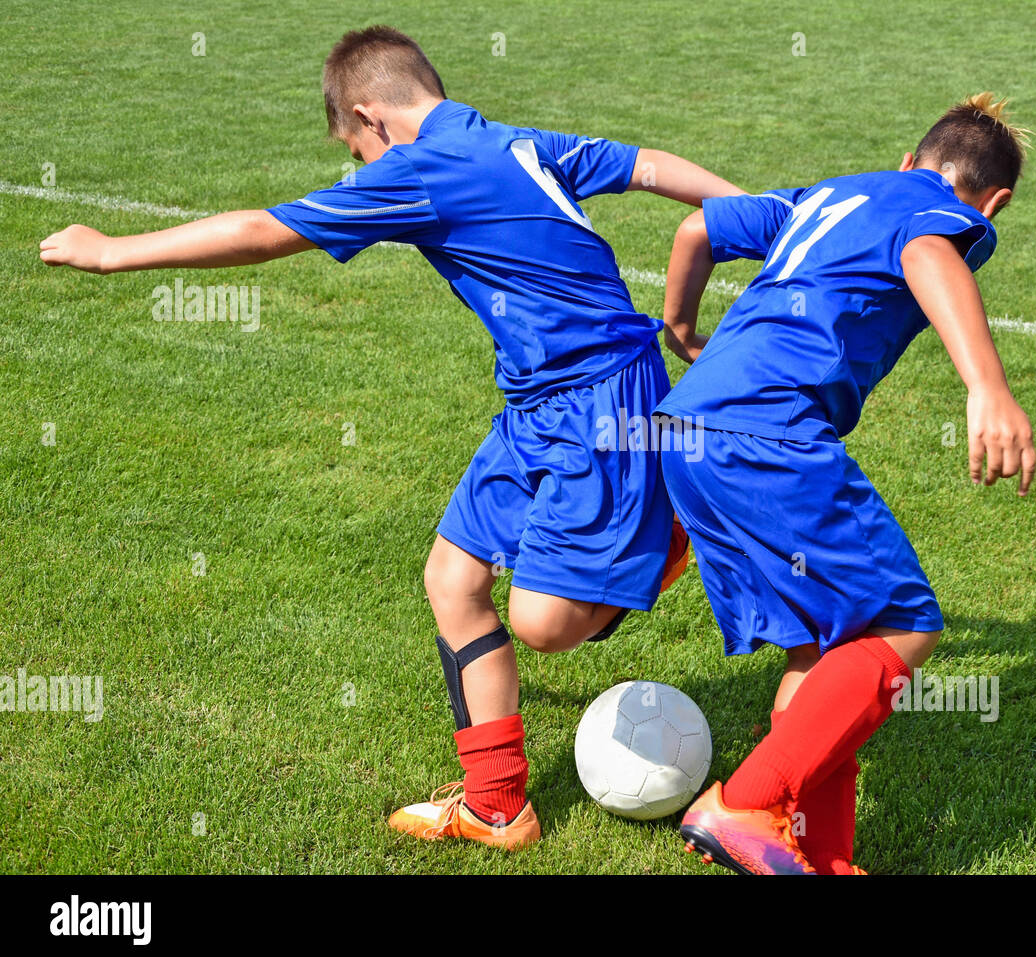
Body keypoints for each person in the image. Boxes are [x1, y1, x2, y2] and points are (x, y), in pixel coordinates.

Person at [39, 24, 742, 850]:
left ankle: (673, 521)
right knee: (451, 578)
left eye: (356, 151)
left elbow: (263, 230)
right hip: (534, 403)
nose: (364, 171)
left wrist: (111, 251)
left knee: (548, 625)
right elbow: (649, 166)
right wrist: (753, 204)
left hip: (601, 406)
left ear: (372, 118)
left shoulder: (421, 168)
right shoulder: (511, 142)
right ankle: (497, 806)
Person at [652, 94, 1036, 873]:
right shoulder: (942, 215)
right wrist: (987, 385)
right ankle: (749, 802)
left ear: (907, 158)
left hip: (684, 427)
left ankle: (820, 855)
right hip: (768, 432)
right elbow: (929, 256)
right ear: (993, 202)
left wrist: (682, 328)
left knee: (822, 643)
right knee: (905, 622)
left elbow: (696, 226)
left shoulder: (826, 194)